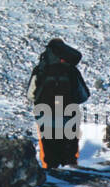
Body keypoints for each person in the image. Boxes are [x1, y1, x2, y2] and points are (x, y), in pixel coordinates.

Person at [27, 38, 89, 169]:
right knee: (69, 152)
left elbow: (31, 95)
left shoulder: (40, 69)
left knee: (49, 152)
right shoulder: (71, 70)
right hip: (69, 114)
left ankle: (52, 177)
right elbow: (83, 95)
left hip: (45, 114)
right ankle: (72, 173)